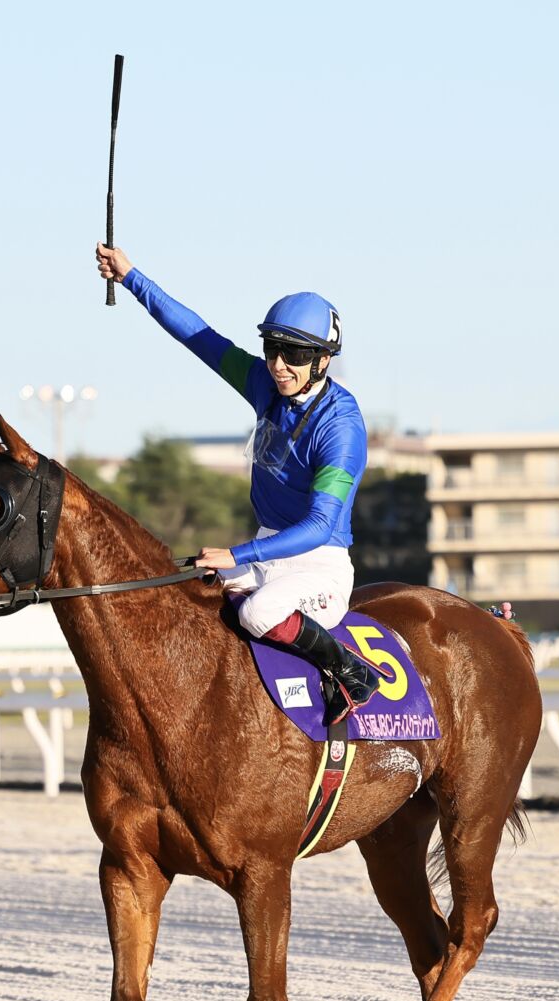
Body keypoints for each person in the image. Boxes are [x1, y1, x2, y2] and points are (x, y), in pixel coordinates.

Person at [96, 242, 380, 724]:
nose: (278, 365)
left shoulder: (341, 429)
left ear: (323, 359)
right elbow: (199, 336)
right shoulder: (265, 385)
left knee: (256, 614)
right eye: (272, 348)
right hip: (269, 553)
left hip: (319, 566)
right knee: (193, 584)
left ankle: (352, 673)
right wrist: (130, 276)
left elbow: (318, 525)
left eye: (294, 353)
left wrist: (238, 554)